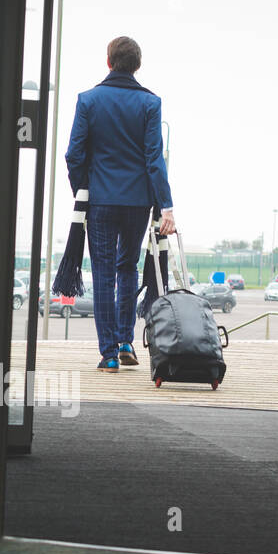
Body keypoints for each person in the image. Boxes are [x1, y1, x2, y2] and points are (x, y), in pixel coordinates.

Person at [64, 36, 175, 372]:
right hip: (138, 202)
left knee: (103, 272)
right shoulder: (150, 103)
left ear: (108, 61)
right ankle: (126, 341)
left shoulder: (88, 100)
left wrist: (83, 191)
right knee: (127, 267)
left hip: (101, 201)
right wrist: (166, 205)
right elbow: (154, 158)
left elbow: (73, 154)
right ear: (137, 65)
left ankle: (109, 353)